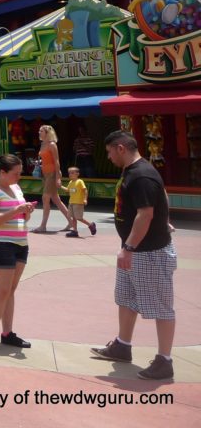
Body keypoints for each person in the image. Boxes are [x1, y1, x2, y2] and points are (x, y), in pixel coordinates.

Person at [90, 130, 176, 380]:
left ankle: (165, 360)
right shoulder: (133, 171)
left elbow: (145, 213)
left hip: (149, 252)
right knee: (126, 298)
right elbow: (163, 196)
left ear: (120, 148)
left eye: (108, 152)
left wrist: (129, 247)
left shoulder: (141, 175)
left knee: (161, 306)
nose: (108, 157)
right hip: (134, 249)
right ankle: (122, 345)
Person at [0, 154, 36, 352]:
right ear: (2, 172)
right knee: (2, 289)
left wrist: (26, 212)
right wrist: (18, 209)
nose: (19, 177)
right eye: (16, 173)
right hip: (0, 243)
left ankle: (7, 333)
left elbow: (22, 219)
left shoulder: (16, 188)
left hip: (21, 242)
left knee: (11, 290)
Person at [31, 125, 75, 233]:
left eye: (41, 131)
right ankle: (71, 222)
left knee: (45, 198)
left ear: (47, 133)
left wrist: (58, 177)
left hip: (52, 174)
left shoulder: (52, 144)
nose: (39, 133)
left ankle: (43, 226)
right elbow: (45, 159)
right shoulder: (43, 144)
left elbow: (56, 161)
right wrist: (39, 163)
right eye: (39, 131)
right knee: (56, 199)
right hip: (45, 174)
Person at [60, 166, 96, 238]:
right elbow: (68, 190)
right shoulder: (71, 182)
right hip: (71, 202)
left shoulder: (80, 181)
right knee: (73, 217)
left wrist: (85, 199)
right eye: (69, 173)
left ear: (77, 174)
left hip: (78, 202)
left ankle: (90, 225)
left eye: (72, 173)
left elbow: (85, 190)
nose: (70, 174)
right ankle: (75, 231)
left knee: (79, 218)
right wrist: (60, 186)